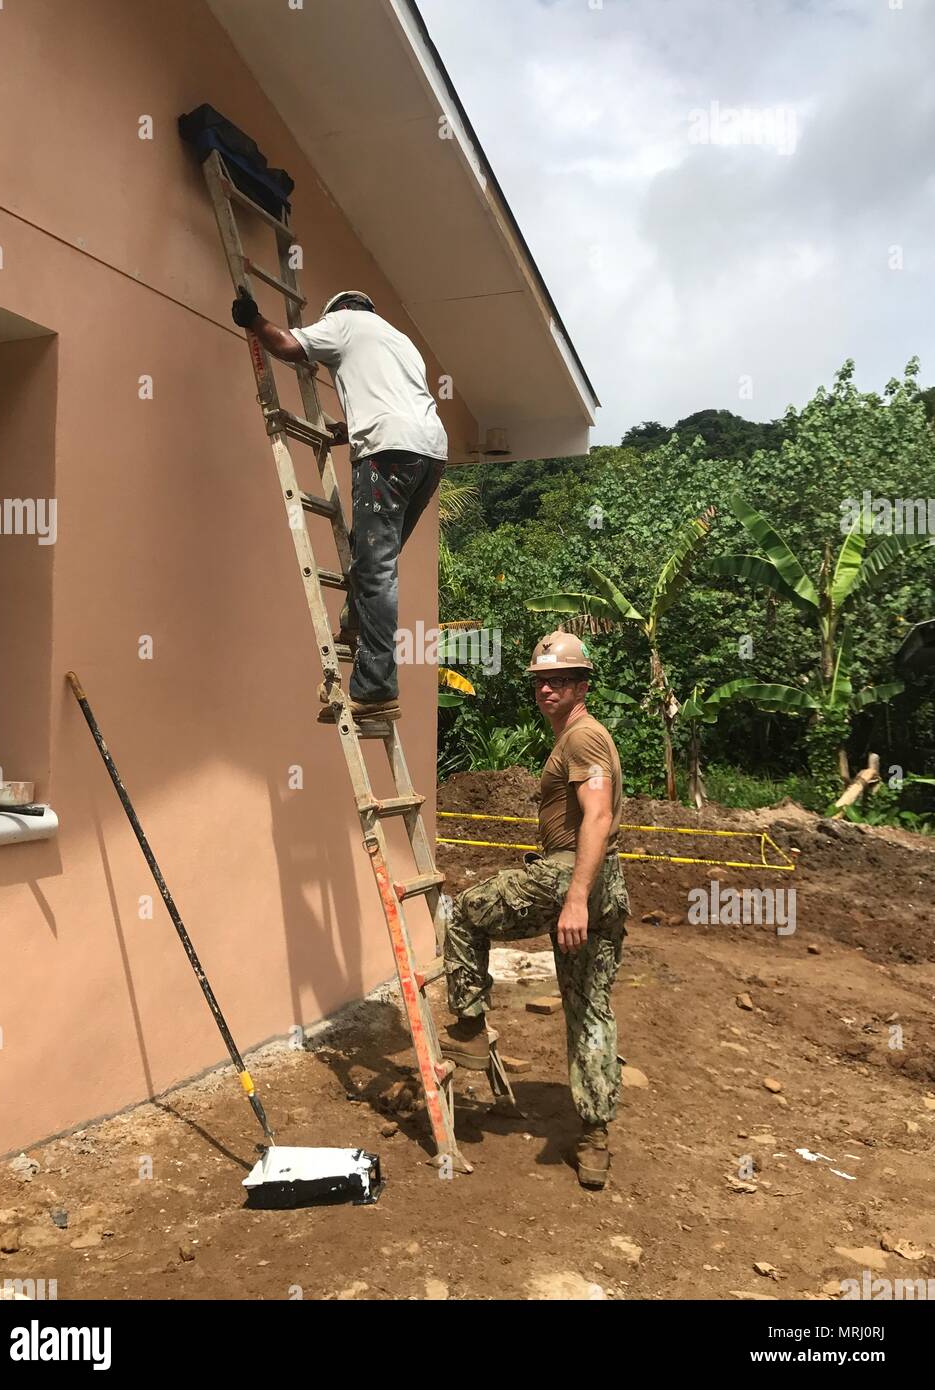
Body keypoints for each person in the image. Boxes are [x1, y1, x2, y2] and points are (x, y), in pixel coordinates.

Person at [440, 631, 630, 1189]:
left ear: (582, 686)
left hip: (571, 875)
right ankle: (595, 1140)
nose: (547, 689)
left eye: (559, 681)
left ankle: (471, 1026)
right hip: (603, 882)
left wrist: (573, 896)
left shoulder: (584, 739)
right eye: (541, 681)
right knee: (589, 1007)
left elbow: (596, 816)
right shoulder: (577, 737)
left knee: (467, 912)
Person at [231, 287, 448, 721]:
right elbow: (394, 403)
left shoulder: (345, 323)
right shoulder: (400, 341)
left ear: (340, 311)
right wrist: (347, 431)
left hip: (387, 454)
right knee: (375, 556)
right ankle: (353, 627)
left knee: (375, 567)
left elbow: (290, 346)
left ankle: (374, 689)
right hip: (430, 454)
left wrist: (253, 320)